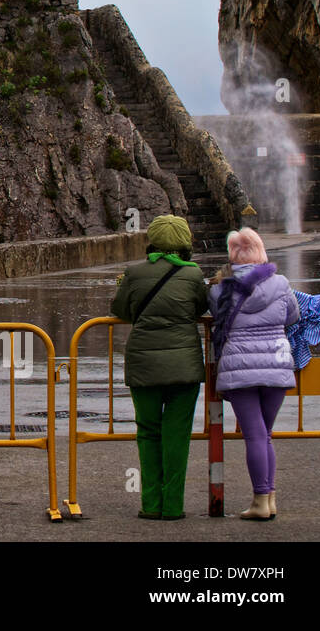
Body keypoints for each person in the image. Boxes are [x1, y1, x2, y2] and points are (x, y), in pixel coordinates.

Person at [111, 214, 208, 520]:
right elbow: (201, 307)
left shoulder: (135, 272)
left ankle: (150, 504)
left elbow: (121, 309)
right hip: (184, 368)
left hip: (144, 365)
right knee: (177, 436)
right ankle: (173, 506)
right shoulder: (193, 274)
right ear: (184, 242)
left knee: (149, 432)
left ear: (151, 240)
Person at [207, 227, 298, 521]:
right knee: (265, 435)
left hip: (240, 369)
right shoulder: (282, 284)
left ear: (232, 256)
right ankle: (269, 499)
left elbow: (215, 315)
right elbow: (292, 316)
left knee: (255, 436)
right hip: (276, 363)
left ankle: (260, 501)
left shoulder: (220, 290)